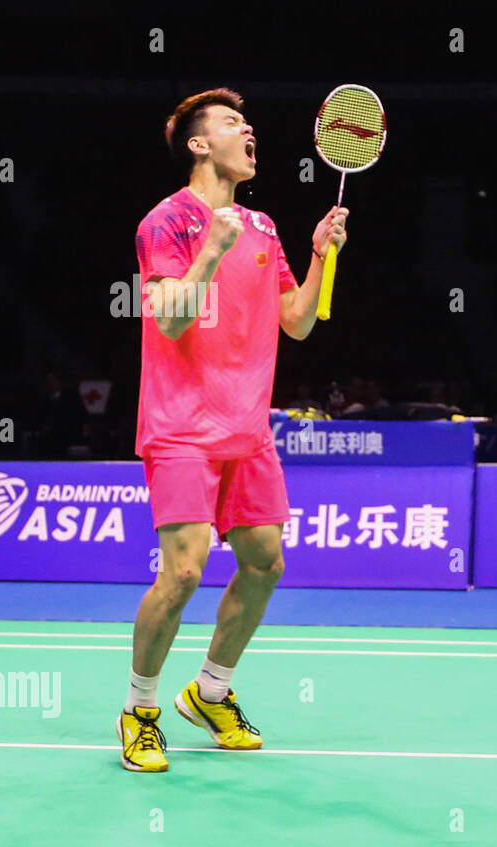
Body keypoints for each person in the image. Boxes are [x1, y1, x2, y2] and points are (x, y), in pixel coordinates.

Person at [119, 88, 350, 772]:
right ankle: (140, 711)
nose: (247, 131)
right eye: (231, 123)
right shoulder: (166, 222)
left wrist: (322, 256)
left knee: (265, 562)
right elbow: (167, 318)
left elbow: (298, 321)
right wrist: (211, 252)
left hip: (247, 430)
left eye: (247, 124)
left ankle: (210, 691)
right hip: (182, 428)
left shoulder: (266, 227)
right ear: (198, 144)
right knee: (184, 571)